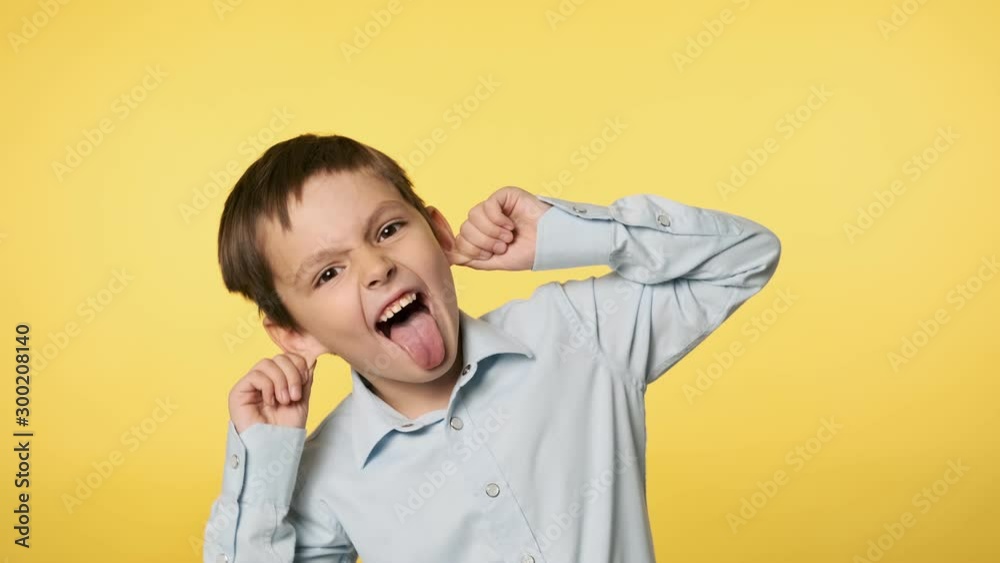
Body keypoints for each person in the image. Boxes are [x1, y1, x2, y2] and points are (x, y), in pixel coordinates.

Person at [202, 133, 781, 563]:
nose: (377, 268)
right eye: (328, 274)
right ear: (295, 333)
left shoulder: (579, 331)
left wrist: (572, 233)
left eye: (386, 231)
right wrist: (263, 464)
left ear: (439, 232)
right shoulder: (327, 474)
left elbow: (746, 257)